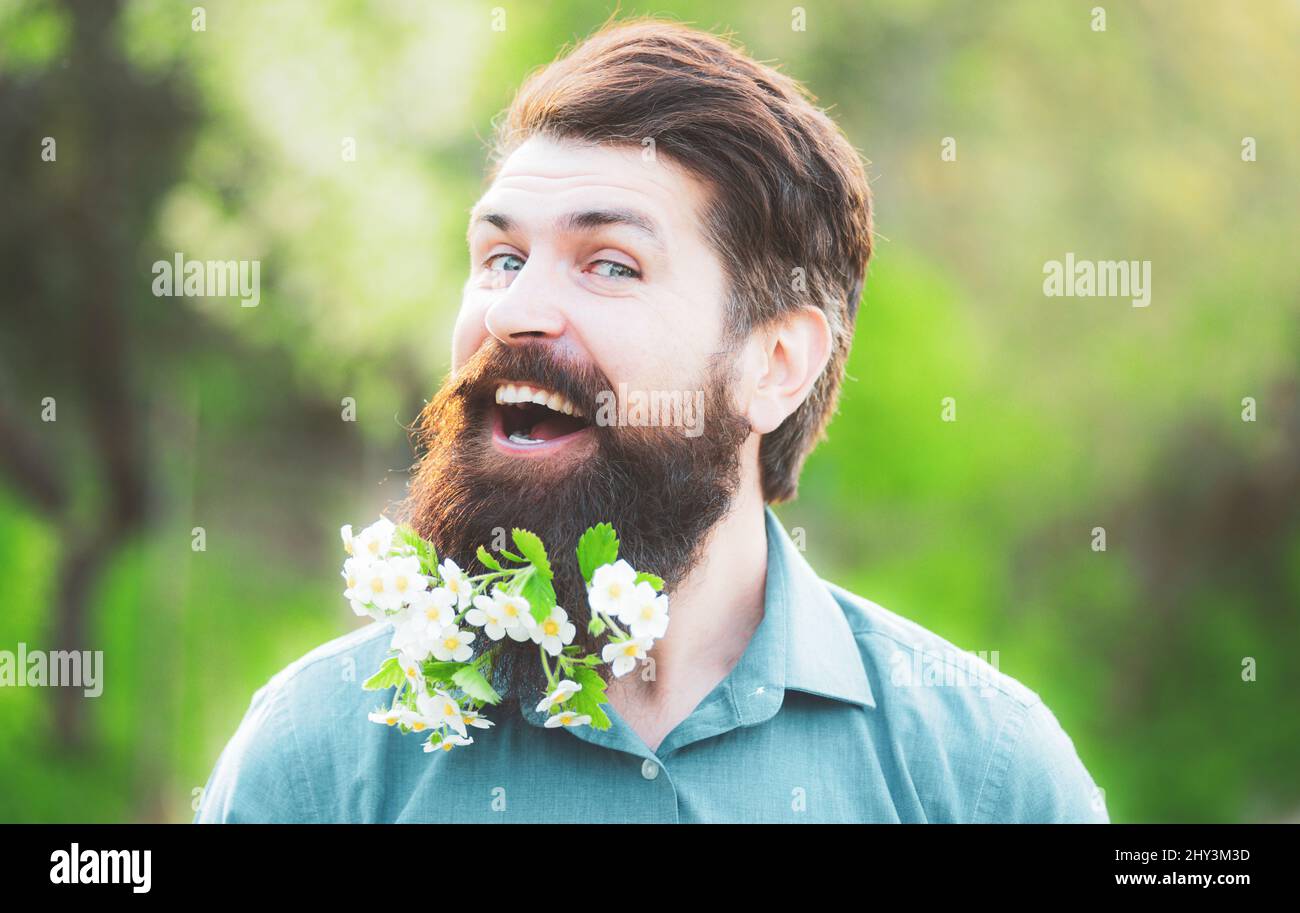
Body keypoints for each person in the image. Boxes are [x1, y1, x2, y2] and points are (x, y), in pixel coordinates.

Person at [195, 17, 1107, 823]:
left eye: (611, 264)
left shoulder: (982, 777)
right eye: (502, 257)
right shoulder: (317, 761)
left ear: (775, 365)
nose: (513, 311)